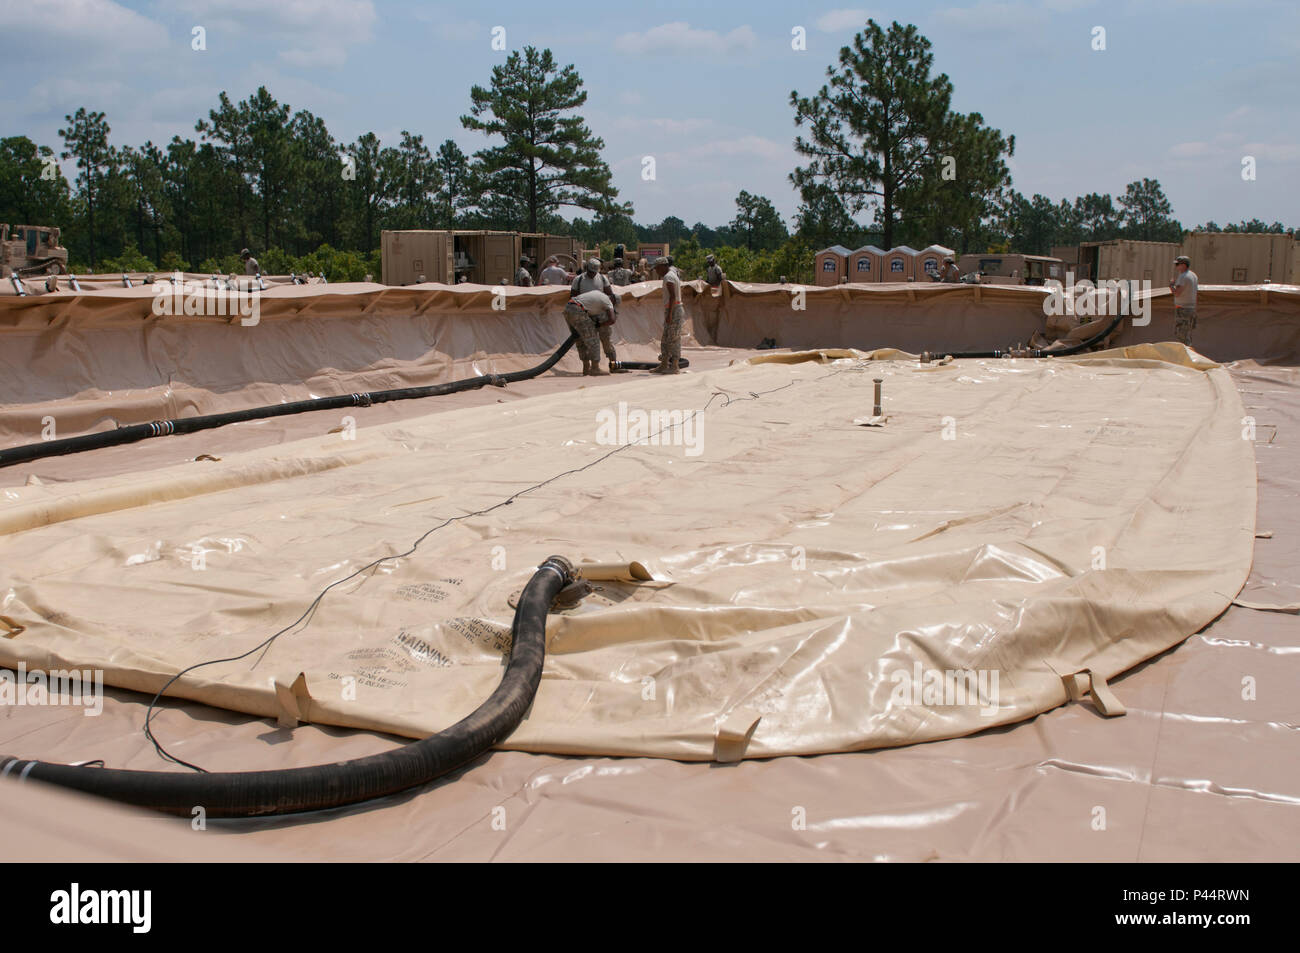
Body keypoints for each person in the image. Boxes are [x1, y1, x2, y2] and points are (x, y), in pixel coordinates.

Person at [569, 259, 624, 374]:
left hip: (600, 314)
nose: (592, 274)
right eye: (590, 271)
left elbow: (610, 294)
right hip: (585, 315)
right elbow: (573, 297)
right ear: (586, 268)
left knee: (606, 340)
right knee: (582, 341)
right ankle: (587, 366)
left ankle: (613, 364)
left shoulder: (602, 278)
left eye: (594, 272)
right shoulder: (578, 280)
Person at [652, 256, 684, 374]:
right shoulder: (670, 275)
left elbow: (672, 296)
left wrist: (670, 314)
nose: (656, 271)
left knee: (673, 338)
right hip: (671, 309)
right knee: (666, 338)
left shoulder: (669, 276)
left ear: (663, 266)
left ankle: (674, 366)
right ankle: (664, 364)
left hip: (674, 309)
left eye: (657, 268)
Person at [1170, 255, 1198, 346]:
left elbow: (1177, 293)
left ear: (1184, 265)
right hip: (1191, 309)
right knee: (1187, 335)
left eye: (1178, 264)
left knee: (1181, 335)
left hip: (1183, 309)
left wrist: (1171, 286)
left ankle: (1185, 356)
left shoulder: (1183, 277)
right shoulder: (1193, 275)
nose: (1176, 266)